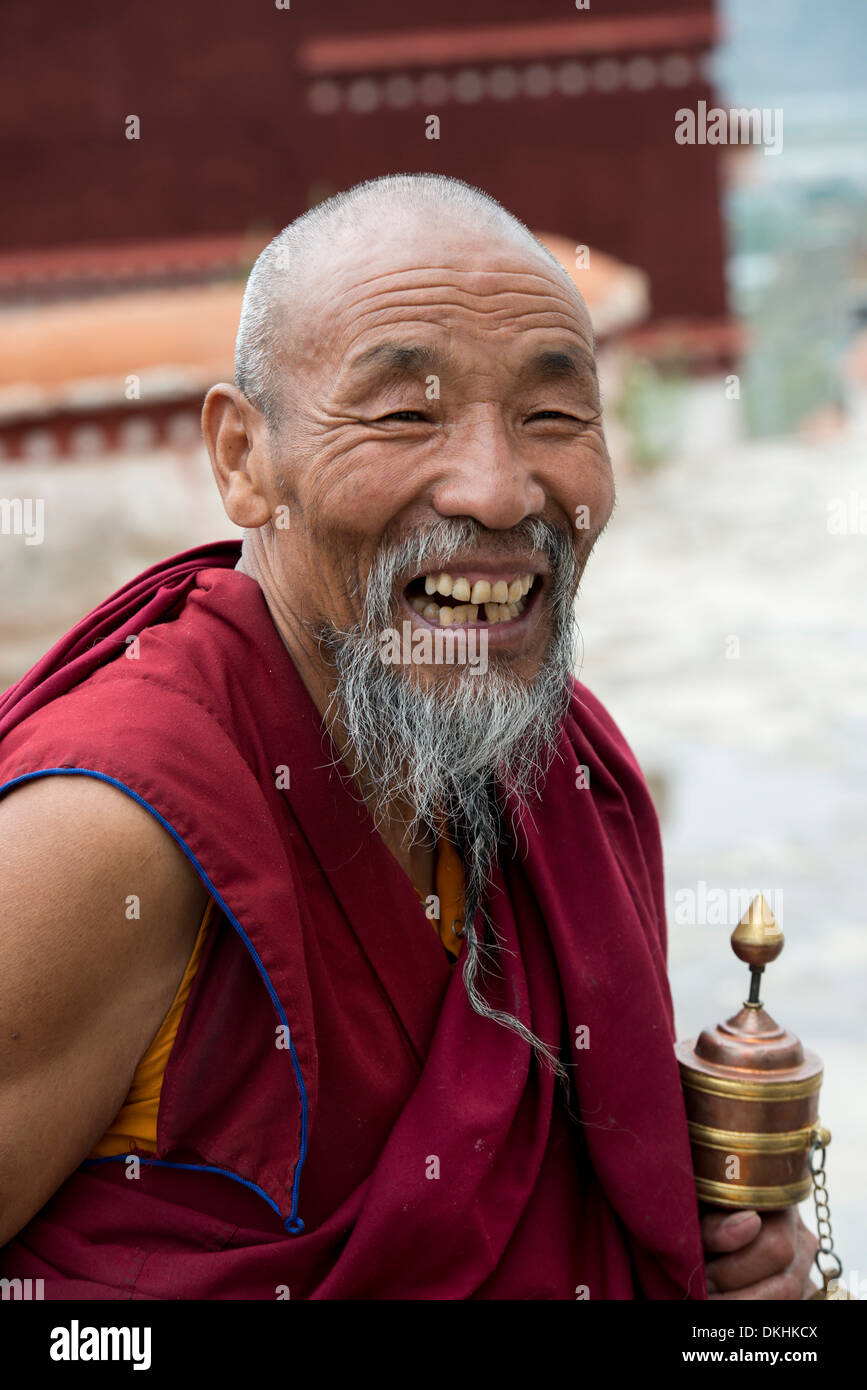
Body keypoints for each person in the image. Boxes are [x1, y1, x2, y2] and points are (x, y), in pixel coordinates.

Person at [0, 174, 816, 1299]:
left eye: (552, 415)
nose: (495, 488)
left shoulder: (562, 766)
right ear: (243, 460)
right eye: (403, 414)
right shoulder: (107, 833)